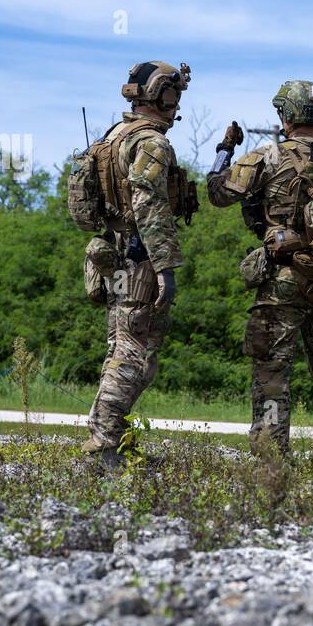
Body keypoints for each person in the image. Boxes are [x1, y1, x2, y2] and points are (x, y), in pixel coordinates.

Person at [207, 80, 313, 468]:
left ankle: (272, 460)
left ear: (286, 116)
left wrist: (224, 150)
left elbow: (216, 193)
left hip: (281, 282)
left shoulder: (267, 157)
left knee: (271, 374)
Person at [77, 61, 196, 468]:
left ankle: (112, 438)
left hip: (115, 253)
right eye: (174, 95)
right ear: (161, 96)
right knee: (136, 356)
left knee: (121, 350)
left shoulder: (113, 137)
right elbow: (149, 207)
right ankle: (104, 446)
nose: (177, 103)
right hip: (140, 258)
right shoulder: (152, 144)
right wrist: (165, 268)